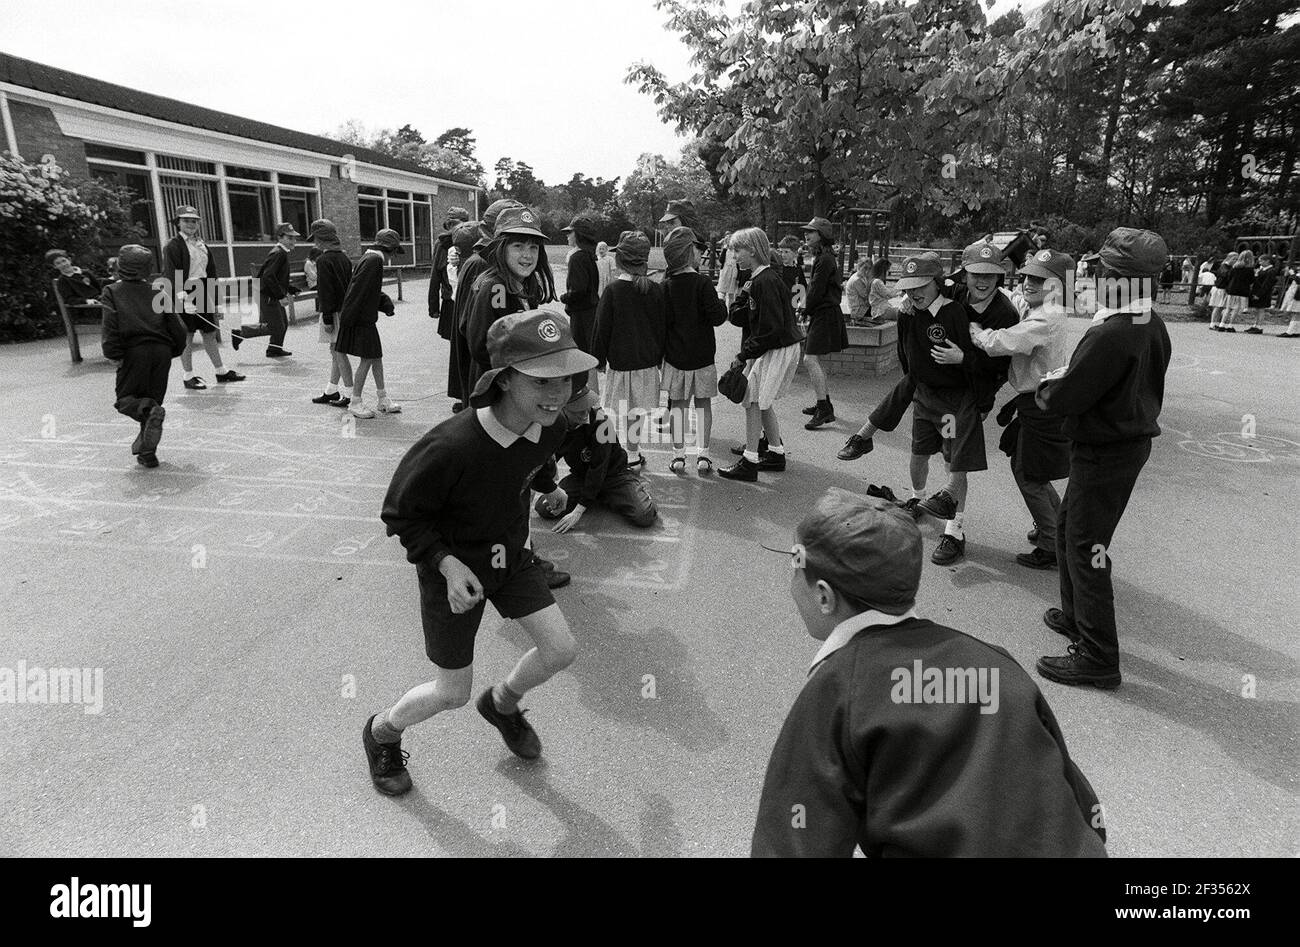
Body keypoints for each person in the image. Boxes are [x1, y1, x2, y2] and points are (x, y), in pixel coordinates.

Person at [750, 488, 1108, 857]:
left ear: (824, 596)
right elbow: (1085, 807)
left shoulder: (841, 688)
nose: (791, 587)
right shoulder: (995, 664)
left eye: (795, 571)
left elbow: (791, 839)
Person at [367, 309, 598, 795]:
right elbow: (401, 515)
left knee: (561, 649)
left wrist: (547, 487)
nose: (559, 392)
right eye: (542, 379)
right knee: (451, 693)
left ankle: (503, 703)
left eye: (567, 375)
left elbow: (531, 461)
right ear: (506, 380)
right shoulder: (452, 446)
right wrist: (447, 566)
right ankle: (382, 732)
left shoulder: (550, 423)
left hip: (510, 556)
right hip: (454, 570)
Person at [1035, 227, 1172, 690]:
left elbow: (1066, 396)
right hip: (1118, 444)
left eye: (1100, 270)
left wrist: (1049, 386)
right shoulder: (1145, 321)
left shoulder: (1114, 332)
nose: (1093, 276)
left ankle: (1097, 656)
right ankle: (1077, 618)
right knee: (1070, 528)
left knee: (1087, 548)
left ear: (1120, 276)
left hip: (1105, 450)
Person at [969, 249, 1073, 569]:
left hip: (1041, 403)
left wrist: (975, 331)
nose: (1028, 283)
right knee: (1031, 470)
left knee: (1029, 474)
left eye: (1039, 279)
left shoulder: (1047, 317)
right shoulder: (1043, 308)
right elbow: (1016, 303)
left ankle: (1051, 540)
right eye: (1027, 275)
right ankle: (1057, 528)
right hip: (1041, 401)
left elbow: (1003, 342)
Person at [718, 227, 805, 483]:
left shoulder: (764, 281)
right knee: (761, 400)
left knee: (752, 399)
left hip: (777, 347)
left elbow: (770, 327)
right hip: (780, 346)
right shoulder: (761, 279)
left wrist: (744, 354)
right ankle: (776, 452)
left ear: (753, 250)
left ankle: (750, 459)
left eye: (738, 250)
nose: (734, 256)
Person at [99, 245, 187, 469]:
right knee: (153, 401)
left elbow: (109, 324)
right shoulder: (159, 291)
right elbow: (175, 324)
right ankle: (148, 454)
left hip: (133, 352)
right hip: (161, 352)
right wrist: (174, 349)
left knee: (127, 399)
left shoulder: (112, 291)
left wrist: (113, 353)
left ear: (120, 267)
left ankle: (148, 413)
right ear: (149, 270)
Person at [535, 381, 657, 531]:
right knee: (544, 507)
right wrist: (551, 489)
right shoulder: (556, 424)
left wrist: (578, 511)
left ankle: (632, 490)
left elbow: (599, 468)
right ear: (563, 408)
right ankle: (598, 497)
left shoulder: (602, 423)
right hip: (581, 478)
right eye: (578, 410)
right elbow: (546, 458)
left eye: (587, 407)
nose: (585, 414)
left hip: (614, 476)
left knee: (644, 515)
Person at [591, 230, 666, 469]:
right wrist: (660, 357)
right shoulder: (655, 290)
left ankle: (607, 454)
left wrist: (598, 359)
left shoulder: (613, 291)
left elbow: (601, 329)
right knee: (636, 412)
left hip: (620, 363)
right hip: (646, 363)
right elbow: (661, 327)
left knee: (613, 410)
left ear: (620, 260)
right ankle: (632, 453)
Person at [463, 205, 556, 396]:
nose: (527, 255)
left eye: (533, 247)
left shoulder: (523, 283)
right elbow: (482, 346)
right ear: (501, 248)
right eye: (518, 246)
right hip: (499, 389)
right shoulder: (496, 288)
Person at [662, 226, 729, 474]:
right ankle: (703, 454)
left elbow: (663, 322)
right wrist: (721, 302)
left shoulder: (665, 284)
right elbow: (718, 317)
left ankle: (679, 456)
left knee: (677, 407)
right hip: (702, 356)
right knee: (703, 406)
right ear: (690, 253)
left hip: (675, 357)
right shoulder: (702, 283)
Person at [161, 206, 243, 387]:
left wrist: (217, 301)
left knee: (210, 331)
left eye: (194, 221)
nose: (190, 224)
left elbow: (211, 272)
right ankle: (188, 376)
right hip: (184, 291)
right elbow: (171, 273)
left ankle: (220, 371)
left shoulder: (201, 244)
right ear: (178, 223)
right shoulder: (172, 245)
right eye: (186, 221)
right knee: (187, 335)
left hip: (203, 289)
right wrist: (183, 297)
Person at [336, 229, 402, 418]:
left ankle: (382, 398)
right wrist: (350, 320)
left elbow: (365, 288)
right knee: (367, 359)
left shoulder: (368, 258)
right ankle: (355, 402)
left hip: (359, 316)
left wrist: (383, 302)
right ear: (390, 249)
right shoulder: (375, 261)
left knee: (376, 357)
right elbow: (360, 291)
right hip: (361, 319)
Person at [798, 218, 846, 431]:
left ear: (822, 235)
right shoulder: (824, 257)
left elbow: (816, 289)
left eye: (812, 232)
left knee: (809, 359)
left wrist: (804, 310)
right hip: (824, 313)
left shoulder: (825, 259)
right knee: (814, 359)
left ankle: (823, 408)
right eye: (807, 231)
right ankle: (824, 403)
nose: (807, 235)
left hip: (825, 313)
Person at [306, 220, 355, 408]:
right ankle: (331, 390)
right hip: (344, 310)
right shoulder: (344, 258)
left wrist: (327, 318)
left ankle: (350, 393)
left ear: (322, 238)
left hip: (332, 312)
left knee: (338, 352)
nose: (315, 243)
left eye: (316, 238)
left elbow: (325, 292)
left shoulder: (323, 260)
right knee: (336, 352)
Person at [237, 223, 301, 357]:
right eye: (290, 238)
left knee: (282, 324)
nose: (293, 241)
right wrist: (281, 296)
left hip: (269, 294)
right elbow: (268, 276)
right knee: (276, 326)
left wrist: (290, 288)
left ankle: (274, 349)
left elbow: (277, 277)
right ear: (280, 237)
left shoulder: (281, 252)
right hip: (267, 295)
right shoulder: (279, 253)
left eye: (294, 238)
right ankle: (239, 334)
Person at [432, 206, 471, 409]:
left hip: (468, 301)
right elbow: (436, 274)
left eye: (457, 224)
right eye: (451, 224)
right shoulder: (442, 244)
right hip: (451, 302)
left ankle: (469, 394)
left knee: (469, 349)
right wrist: (433, 305)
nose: (454, 228)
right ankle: (461, 395)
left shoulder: (472, 242)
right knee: (457, 351)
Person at [560, 213, 601, 356]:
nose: (567, 236)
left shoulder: (577, 258)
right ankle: (591, 379)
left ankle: (583, 380)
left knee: (580, 354)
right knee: (590, 352)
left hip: (581, 313)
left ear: (578, 235)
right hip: (591, 309)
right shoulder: (588, 255)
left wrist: (564, 297)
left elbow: (578, 290)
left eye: (570, 232)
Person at [1218, 249, 1254, 332]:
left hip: (1231, 289)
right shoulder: (1249, 269)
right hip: (1241, 291)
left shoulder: (1235, 267)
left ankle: (1222, 324)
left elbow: (1229, 277)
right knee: (1235, 309)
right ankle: (1230, 325)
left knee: (1228, 308)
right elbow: (1251, 280)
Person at [1244, 254, 1278, 334]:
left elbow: (1266, 284)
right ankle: (1255, 325)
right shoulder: (1261, 269)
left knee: (1261, 309)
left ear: (1267, 261)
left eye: (1261, 260)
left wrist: (1259, 294)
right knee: (1257, 309)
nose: (1259, 262)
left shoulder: (1271, 270)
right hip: (1256, 291)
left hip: (1263, 293)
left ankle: (1259, 326)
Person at [1207, 252, 1237, 330]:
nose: (1235, 260)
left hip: (1224, 289)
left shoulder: (1230, 267)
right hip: (1219, 289)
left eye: (1237, 259)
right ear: (1229, 258)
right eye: (1234, 259)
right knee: (1217, 307)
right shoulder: (1224, 266)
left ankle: (1216, 323)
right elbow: (1225, 274)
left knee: (1220, 308)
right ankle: (1212, 323)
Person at [844, 256, 873, 325]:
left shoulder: (861, 276)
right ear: (859, 267)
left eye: (869, 269)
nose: (867, 271)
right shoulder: (857, 280)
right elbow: (867, 296)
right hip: (859, 310)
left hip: (863, 307)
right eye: (865, 268)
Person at [716, 231, 740, 305]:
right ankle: (721, 306)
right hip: (725, 272)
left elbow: (738, 263)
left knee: (731, 294)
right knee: (722, 291)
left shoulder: (736, 251)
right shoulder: (725, 250)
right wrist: (724, 249)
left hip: (733, 273)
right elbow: (721, 261)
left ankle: (730, 310)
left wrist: (738, 276)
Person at [1278, 265, 1300, 338]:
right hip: (1294, 294)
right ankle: (1296, 331)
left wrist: (1292, 274)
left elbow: (1298, 281)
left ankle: (1290, 331)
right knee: (1296, 314)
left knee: (1296, 313)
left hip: (1298, 296)